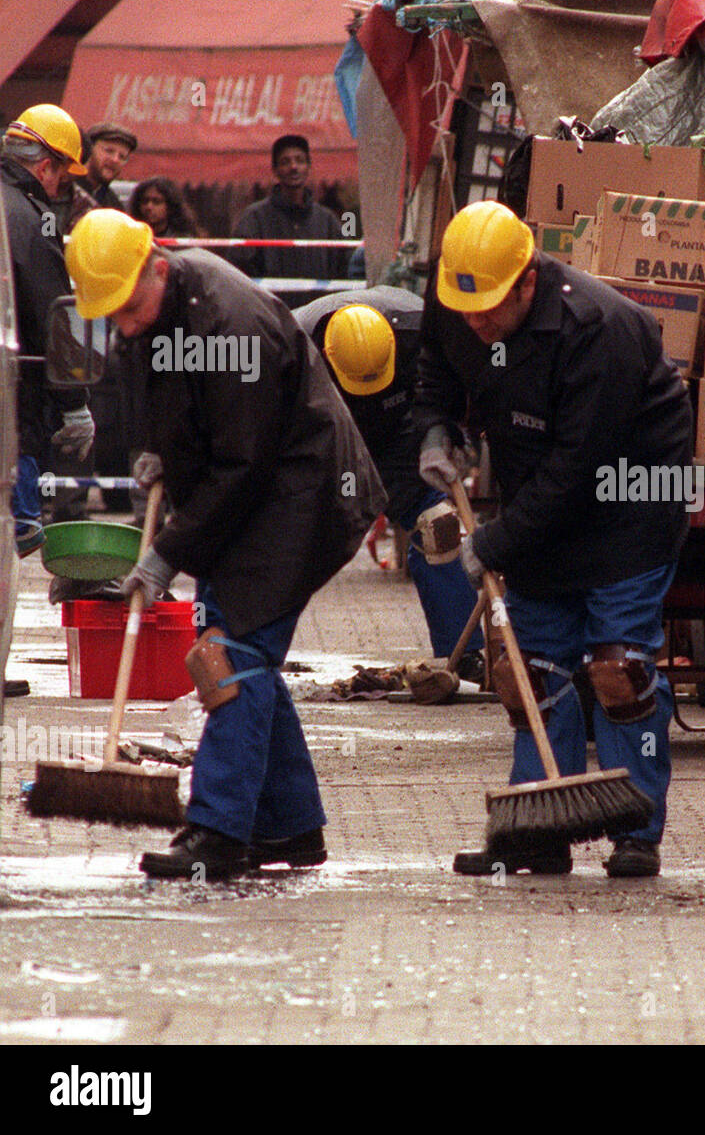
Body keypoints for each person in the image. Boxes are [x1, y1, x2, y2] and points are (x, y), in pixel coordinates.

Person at [64, 208, 386, 881]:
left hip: (299, 496)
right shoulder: (151, 312)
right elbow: (172, 401)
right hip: (249, 496)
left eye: (127, 307)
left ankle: (216, 832)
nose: (122, 324)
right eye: (111, 315)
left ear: (158, 266)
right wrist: (157, 451)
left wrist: (167, 552)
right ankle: (291, 829)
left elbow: (243, 464)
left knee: (227, 657)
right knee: (251, 660)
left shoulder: (228, 322)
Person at [418, 201, 694, 879]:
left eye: (490, 308)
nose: (475, 322)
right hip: (540, 493)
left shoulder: (599, 329)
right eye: (466, 308)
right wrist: (437, 430)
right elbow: (436, 375)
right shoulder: (458, 295)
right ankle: (540, 824)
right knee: (530, 670)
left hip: (626, 504)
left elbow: (579, 468)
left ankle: (635, 830)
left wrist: (499, 540)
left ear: (528, 283)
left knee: (617, 669)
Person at [294, 287, 485, 677]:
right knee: (281, 542)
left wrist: (452, 437)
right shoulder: (290, 346)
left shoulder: (425, 329)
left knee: (439, 526)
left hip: (402, 430)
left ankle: (463, 655)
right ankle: (252, 654)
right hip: (325, 438)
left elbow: (462, 391)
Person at [0, 105, 95, 557]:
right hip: (12, 413)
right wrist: (74, 404)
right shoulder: (32, 219)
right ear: (44, 166)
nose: (60, 187)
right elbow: (54, 315)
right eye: (61, 175)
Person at [230, 134, 346, 307]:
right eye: (285, 162)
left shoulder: (328, 221)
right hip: (271, 321)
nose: (294, 167)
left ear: (308, 167)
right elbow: (239, 274)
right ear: (275, 170)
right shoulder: (253, 219)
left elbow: (343, 270)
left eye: (300, 160)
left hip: (317, 320)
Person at [77, 122, 137, 211]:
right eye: (109, 151)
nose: (115, 160)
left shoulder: (114, 207)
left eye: (122, 157)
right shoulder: (64, 189)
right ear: (90, 149)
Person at [129, 176, 199, 238]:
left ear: (170, 207)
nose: (149, 207)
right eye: (145, 201)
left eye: (156, 202)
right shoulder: (131, 236)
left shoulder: (182, 239)